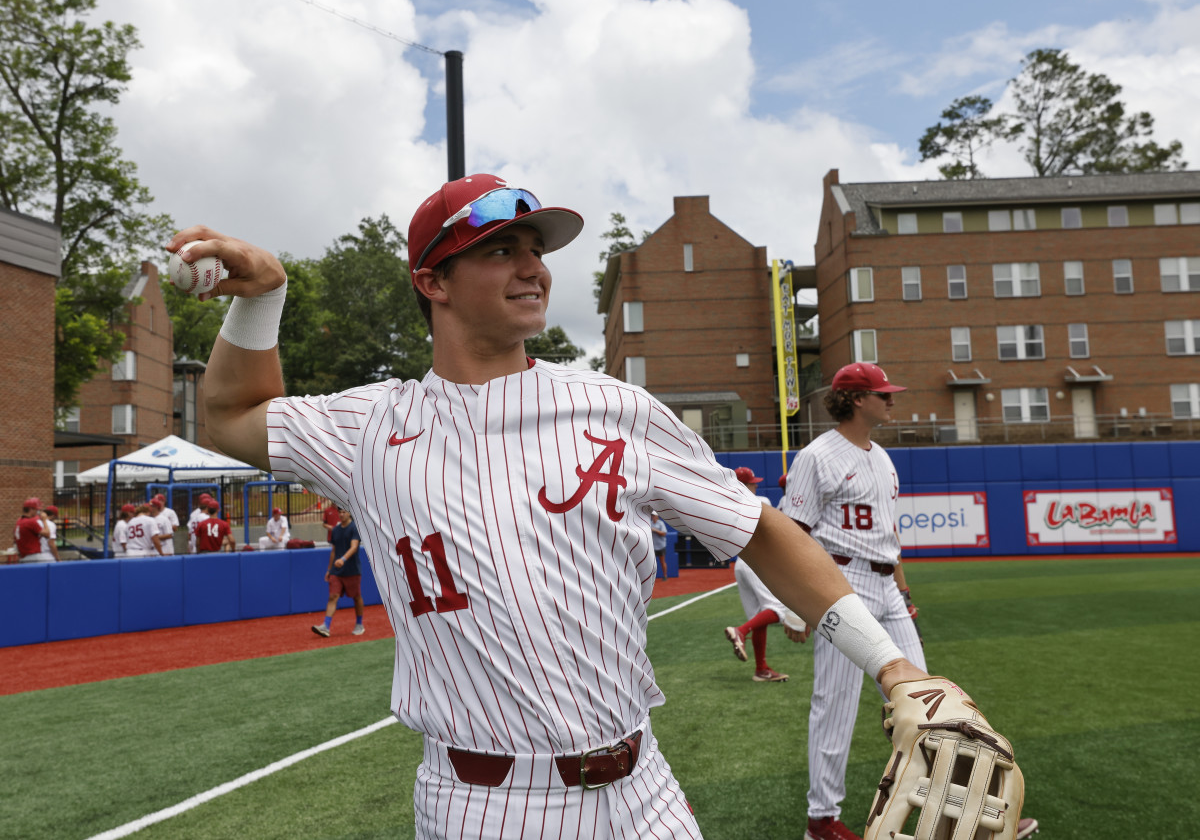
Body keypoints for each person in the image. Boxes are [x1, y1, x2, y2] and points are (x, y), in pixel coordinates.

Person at [171, 173, 934, 838]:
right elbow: (233, 415)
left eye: (535, 248)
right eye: (501, 250)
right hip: (485, 803)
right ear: (433, 281)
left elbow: (762, 533)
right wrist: (266, 294)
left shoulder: (615, 406)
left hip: (644, 786)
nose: (534, 267)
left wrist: (895, 669)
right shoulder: (369, 426)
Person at [783, 363, 1037, 840]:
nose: (892, 400)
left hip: (884, 585)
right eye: (883, 394)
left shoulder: (881, 457)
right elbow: (792, 533)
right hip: (840, 583)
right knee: (834, 704)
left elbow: (889, 534)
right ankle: (821, 821)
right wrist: (795, 606)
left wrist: (904, 592)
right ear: (857, 399)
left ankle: (960, 810)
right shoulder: (818, 456)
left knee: (932, 705)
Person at [722, 466, 790, 682]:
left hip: (741, 563)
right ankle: (740, 631)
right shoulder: (762, 501)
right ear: (743, 485)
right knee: (778, 609)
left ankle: (761, 669)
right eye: (752, 482)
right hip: (757, 562)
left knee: (758, 616)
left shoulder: (727, 506)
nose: (756, 484)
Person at [312, 506, 365, 637]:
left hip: (352, 570)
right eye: (340, 512)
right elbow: (333, 551)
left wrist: (343, 559)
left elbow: (354, 547)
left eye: (344, 512)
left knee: (356, 597)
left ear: (349, 513)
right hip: (337, 571)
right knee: (333, 596)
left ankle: (359, 624)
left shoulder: (354, 528)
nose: (341, 514)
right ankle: (326, 626)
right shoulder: (335, 530)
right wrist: (329, 570)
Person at [14, 498, 50, 563]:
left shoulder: (19, 521)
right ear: (31, 509)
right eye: (37, 510)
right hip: (33, 556)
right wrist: (44, 520)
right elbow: (47, 534)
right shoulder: (31, 522)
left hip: (23, 556)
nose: (37, 512)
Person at [649, 510, 668, 579]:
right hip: (653, 547)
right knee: (652, 564)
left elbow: (664, 533)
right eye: (652, 515)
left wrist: (655, 530)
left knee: (662, 562)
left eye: (653, 515)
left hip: (661, 546)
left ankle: (665, 575)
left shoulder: (661, 523)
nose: (652, 517)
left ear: (657, 516)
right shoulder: (649, 523)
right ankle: (651, 578)